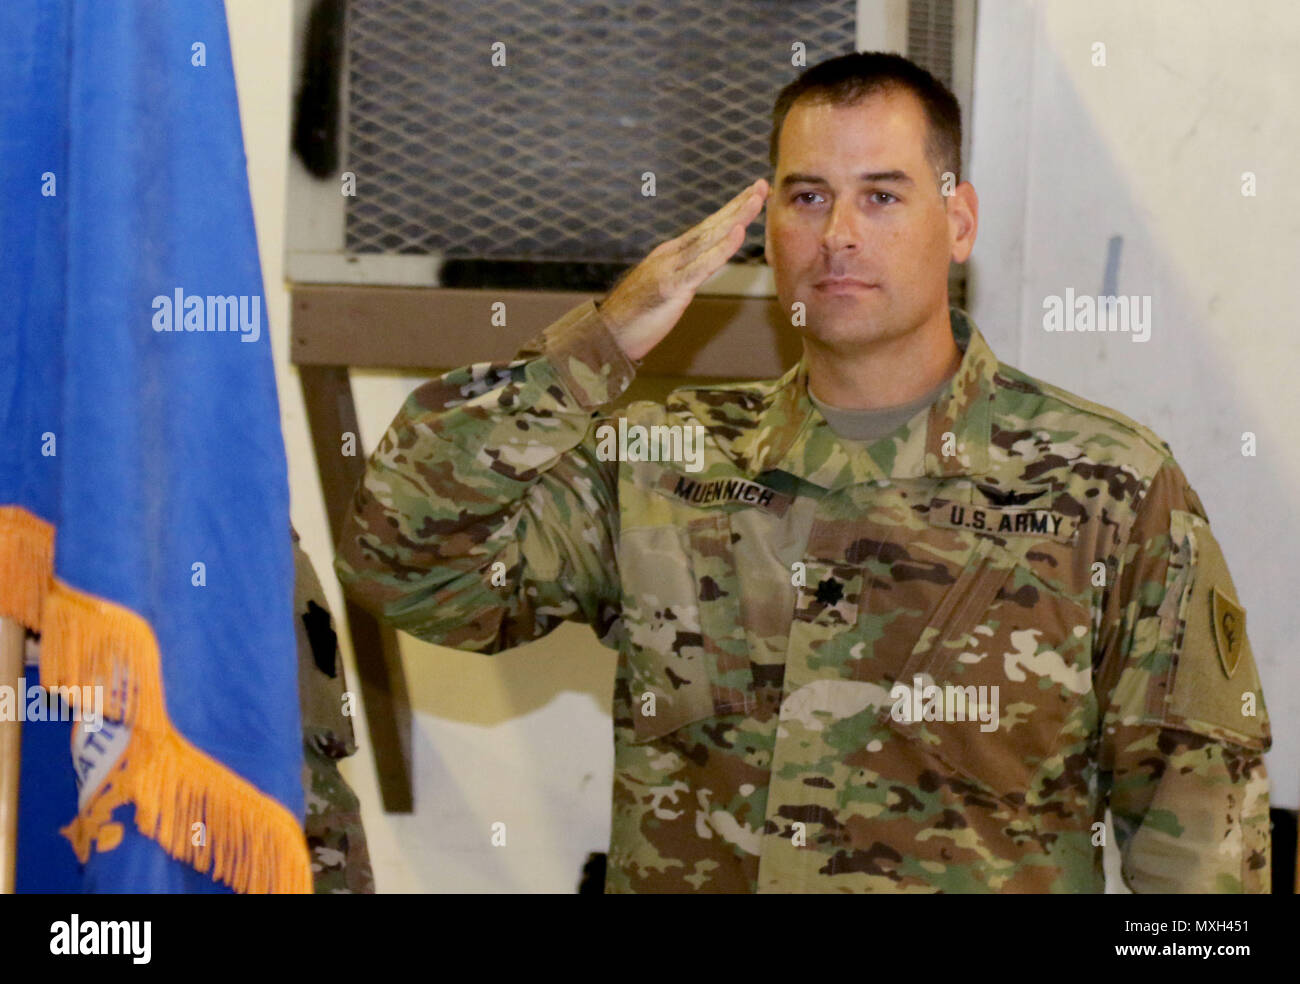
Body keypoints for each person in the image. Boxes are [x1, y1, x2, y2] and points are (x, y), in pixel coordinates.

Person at [334, 51, 1271, 893]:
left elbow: (1201, 845)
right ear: (768, 225)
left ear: (960, 221)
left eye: (884, 194)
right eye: (809, 196)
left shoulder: (1105, 485)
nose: (840, 235)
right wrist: (597, 343)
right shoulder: (661, 463)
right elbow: (404, 567)